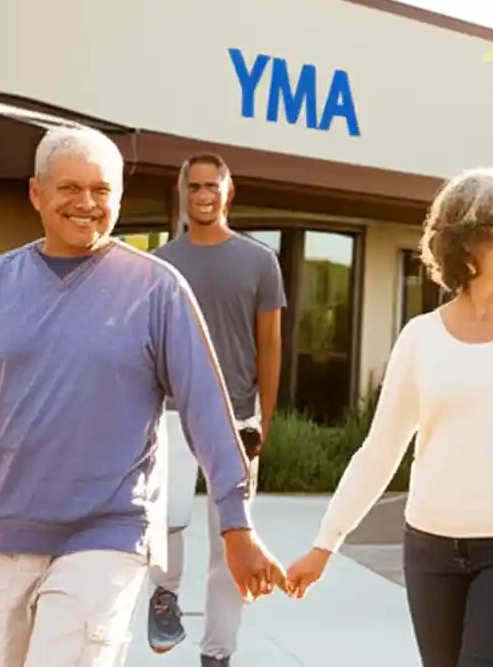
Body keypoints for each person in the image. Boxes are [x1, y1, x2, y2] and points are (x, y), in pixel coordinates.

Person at [0, 126, 287, 667]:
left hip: (108, 532)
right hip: (7, 531)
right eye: (70, 188)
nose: (87, 203)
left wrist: (236, 522)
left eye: (102, 190)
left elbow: (207, 409)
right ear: (37, 193)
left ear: (120, 199)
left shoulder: (157, 290)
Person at [284, 167, 493, 666]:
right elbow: (379, 451)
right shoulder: (421, 338)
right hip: (431, 549)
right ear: (466, 238)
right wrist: (324, 546)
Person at [146, 153, 287, 666]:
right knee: (165, 520)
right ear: (183, 193)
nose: (204, 194)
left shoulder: (259, 261)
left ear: (229, 193)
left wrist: (263, 423)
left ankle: (217, 655)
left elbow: (269, 347)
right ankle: (164, 594)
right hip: (171, 414)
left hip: (238, 419)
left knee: (233, 542)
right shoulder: (161, 263)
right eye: (195, 186)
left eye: (213, 186)